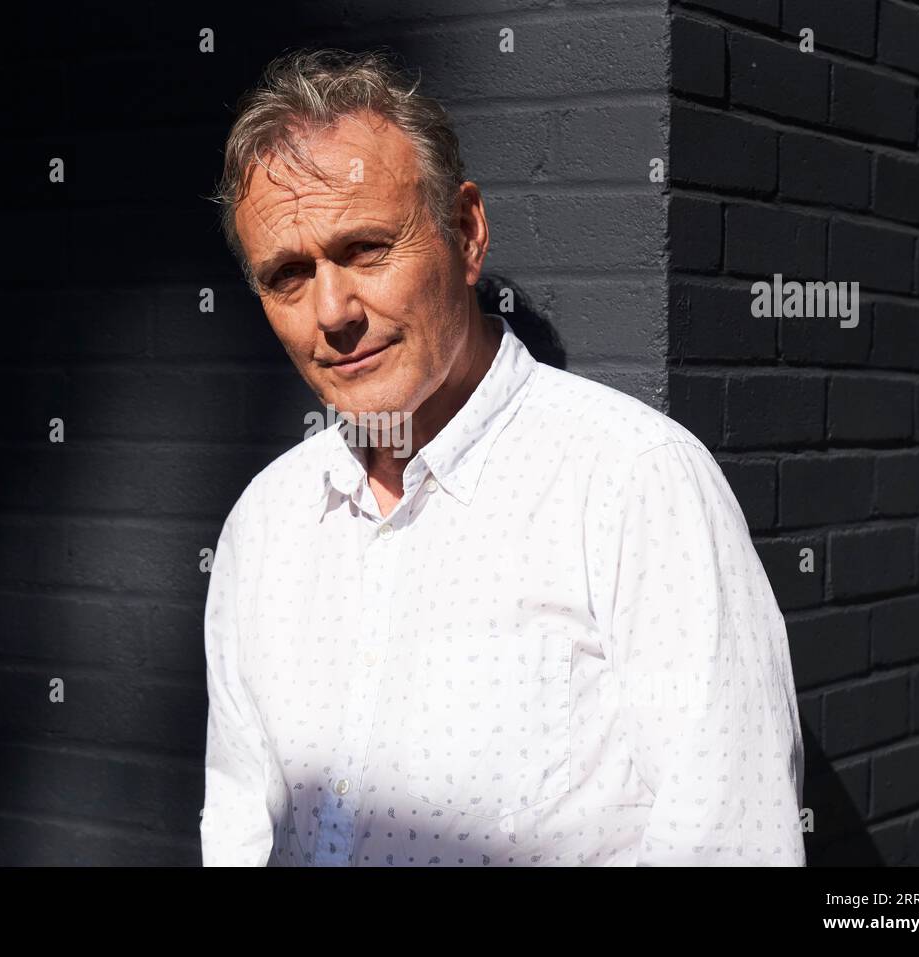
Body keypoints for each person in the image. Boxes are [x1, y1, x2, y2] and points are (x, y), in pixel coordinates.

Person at [199, 47, 805, 866]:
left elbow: (733, 842)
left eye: (368, 249)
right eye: (287, 275)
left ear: (468, 231)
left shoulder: (631, 483)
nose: (332, 311)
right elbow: (239, 829)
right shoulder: (263, 527)